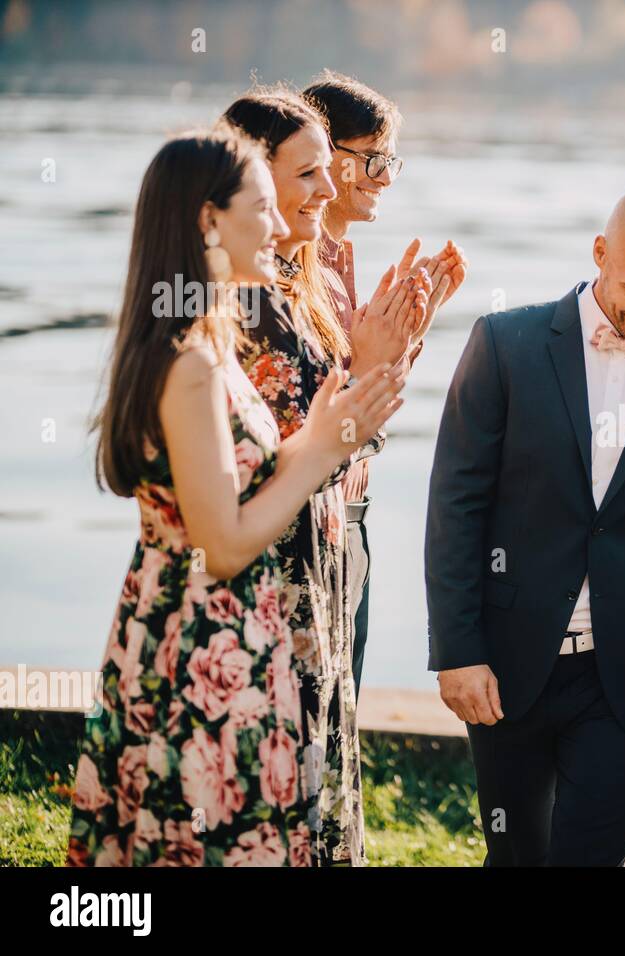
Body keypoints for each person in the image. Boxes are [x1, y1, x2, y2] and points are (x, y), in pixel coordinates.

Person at [67, 126, 403, 866]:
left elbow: (231, 483)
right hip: (202, 644)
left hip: (224, 630)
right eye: (263, 205)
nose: (283, 224)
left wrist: (322, 432)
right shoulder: (188, 363)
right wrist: (321, 451)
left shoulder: (205, 341)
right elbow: (223, 542)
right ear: (208, 221)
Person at [425, 187, 625, 866]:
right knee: (515, 858)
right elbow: (456, 504)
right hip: (506, 665)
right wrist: (457, 649)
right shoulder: (505, 343)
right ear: (600, 253)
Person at [224, 86, 424, 865]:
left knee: (319, 744)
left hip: (324, 539)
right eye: (313, 173)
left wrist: (394, 351)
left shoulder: (296, 277)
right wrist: (373, 368)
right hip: (275, 555)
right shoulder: (242, 294)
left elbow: (340, 422)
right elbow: (291, 438)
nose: (336, 189)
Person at [303, 70, 467, 696]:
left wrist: (413, 327)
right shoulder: (297, 267)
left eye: (390, 161)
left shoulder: (342, 258)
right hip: (313, 515)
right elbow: (317, 400)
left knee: (343, 702)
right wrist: (389, 344)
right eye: (371, 160)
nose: (383, 178)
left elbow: (371, 396)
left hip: (351, 515)